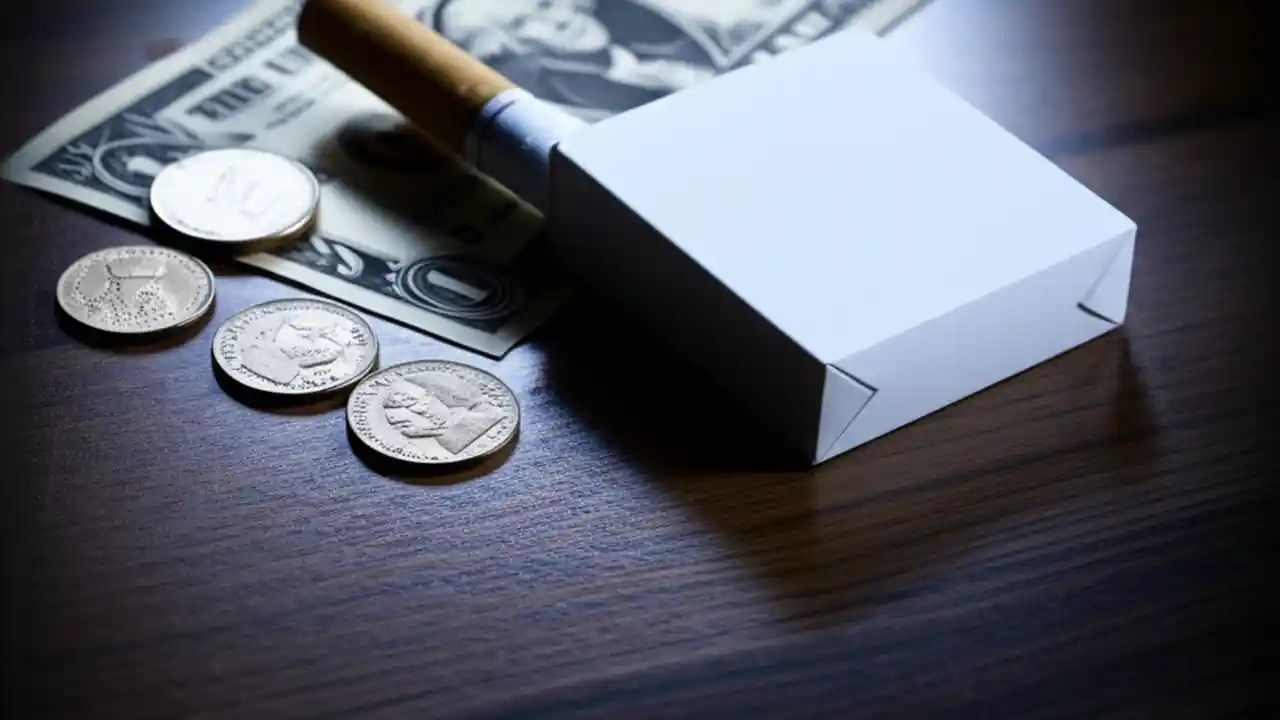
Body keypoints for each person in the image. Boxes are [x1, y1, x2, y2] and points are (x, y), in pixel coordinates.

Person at [427, 0, 717, 115]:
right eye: (521, 23)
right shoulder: (577, 109)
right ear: (511, 49)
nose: (558, 20)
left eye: (545, 4)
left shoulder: (683, 32)